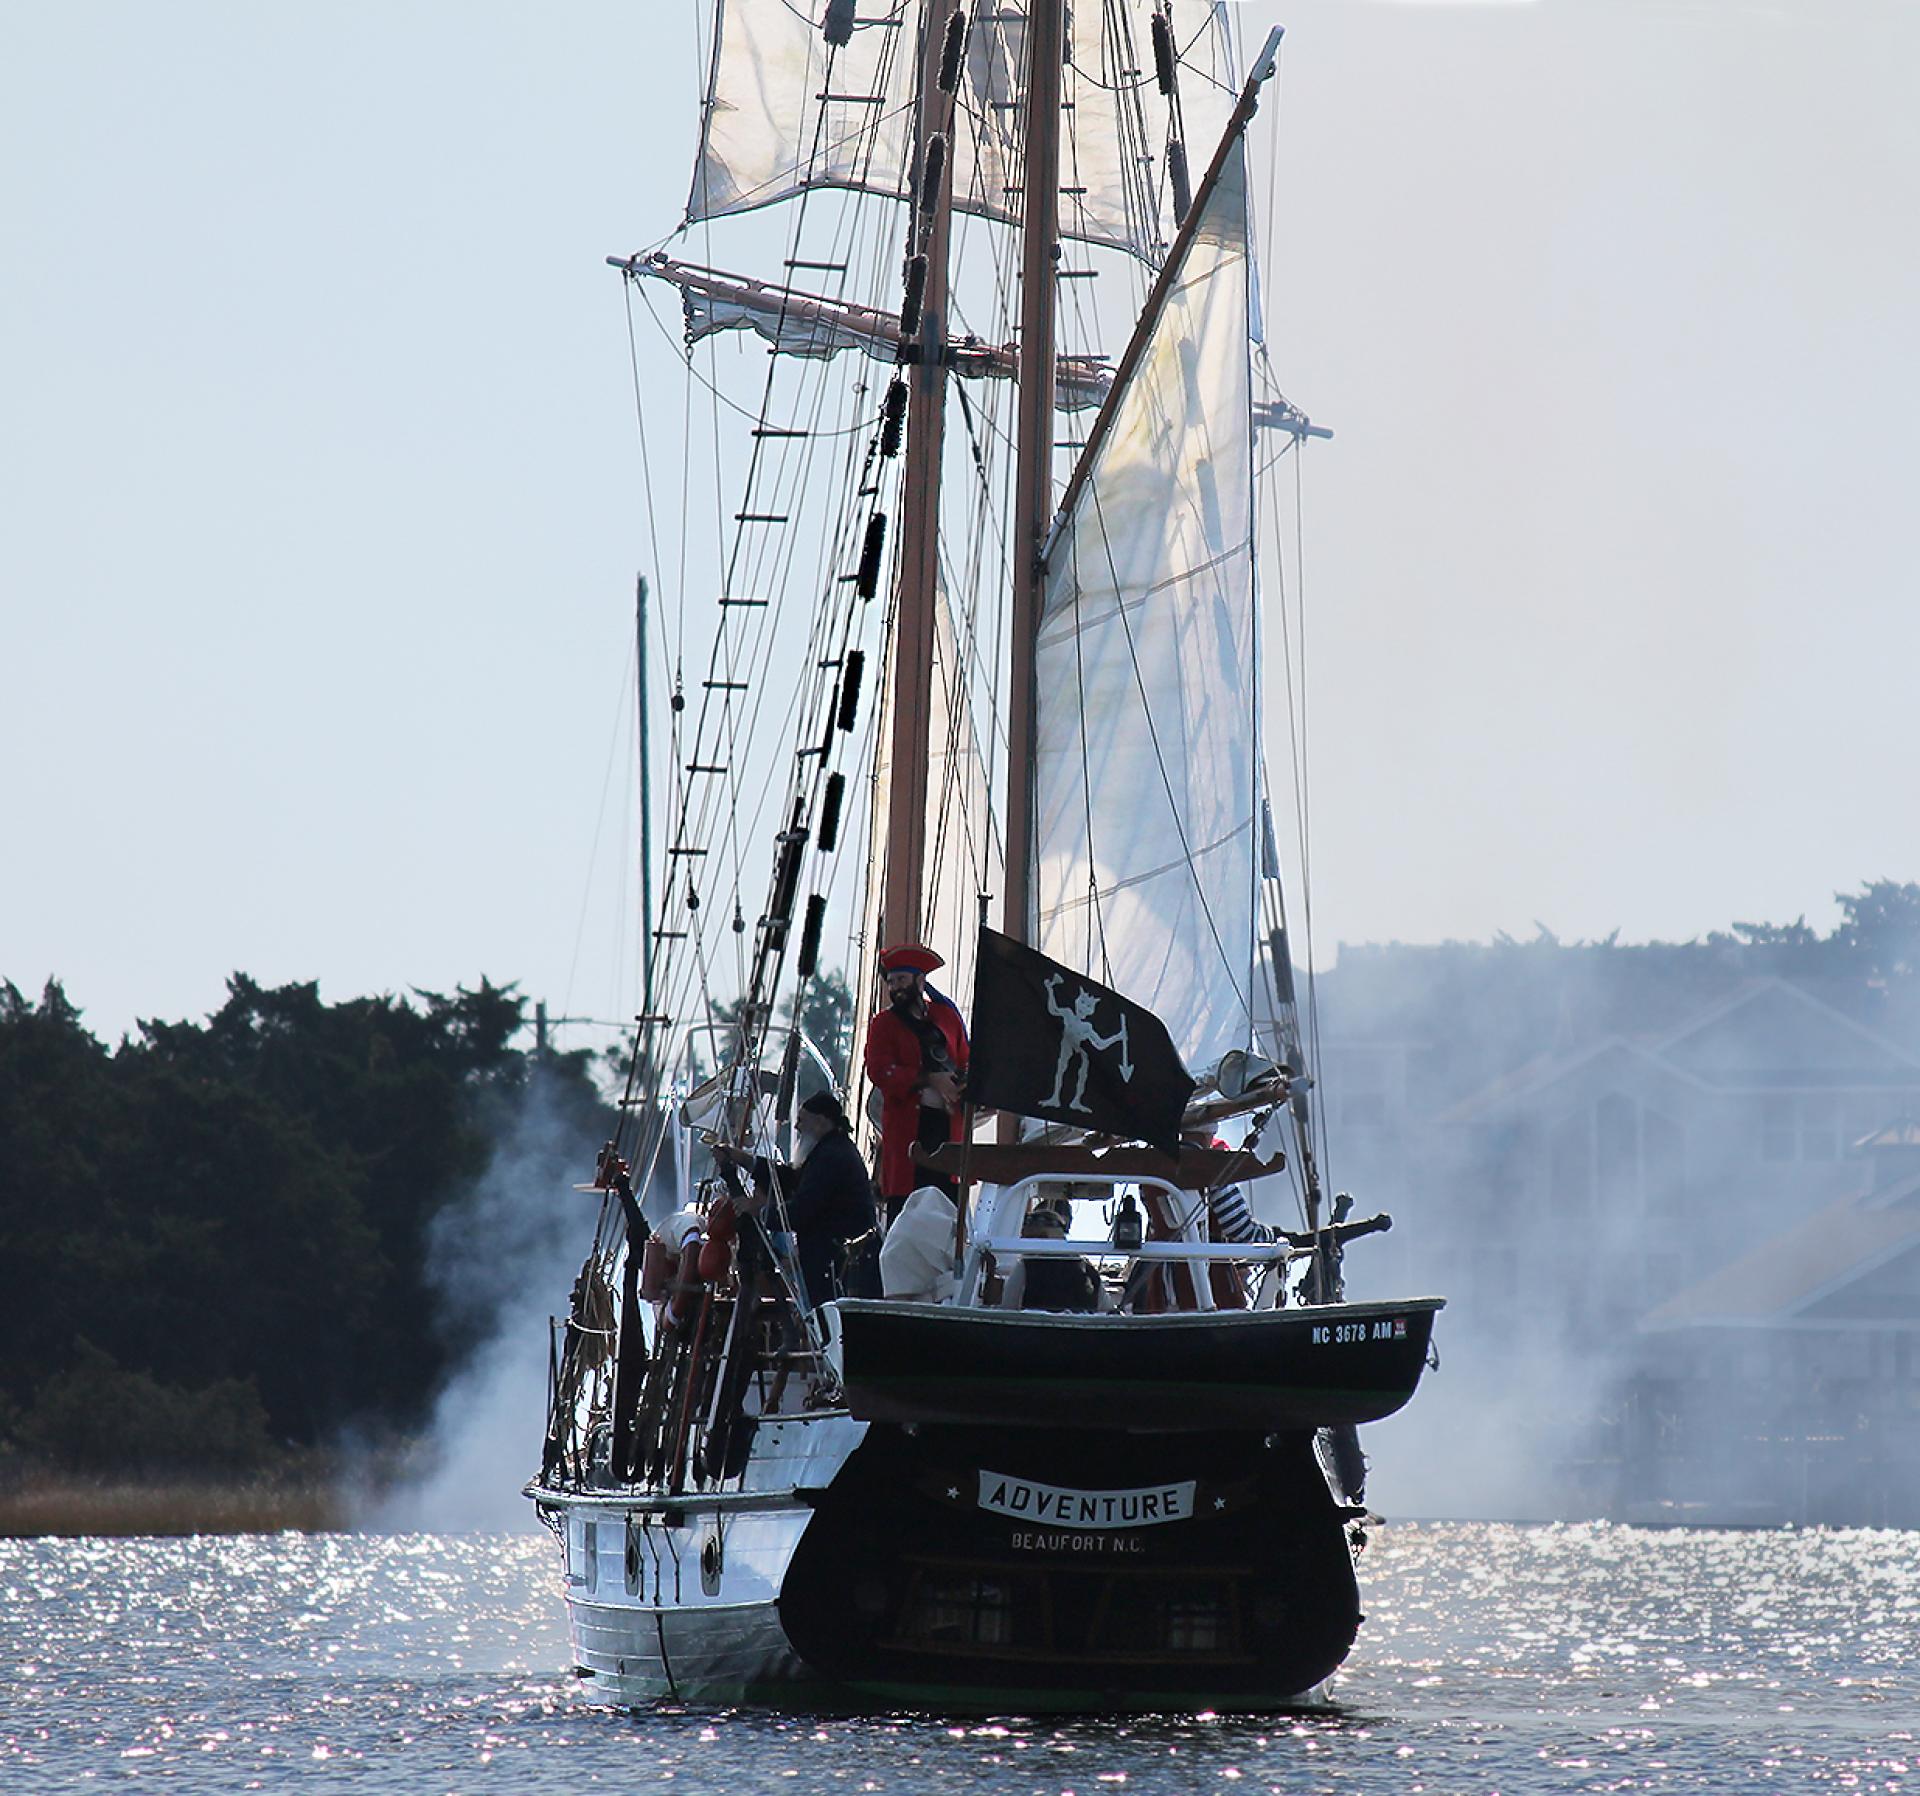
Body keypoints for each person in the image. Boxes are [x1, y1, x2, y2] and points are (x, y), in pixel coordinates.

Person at [736, 1092, 878, 1309]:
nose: (797, 1127)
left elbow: (802, 1210)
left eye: (802, 1120)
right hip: (828, 1254)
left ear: (821, 1122)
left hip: (831, 1259)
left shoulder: (831, 1157)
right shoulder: (829, 1150)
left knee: (823, 1315)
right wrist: (746, 1161)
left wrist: (761, 1212)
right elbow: (792, 1178)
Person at [863, 942, 969, 1221]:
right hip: (910, 1133)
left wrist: (962, 1083)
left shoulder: (946, 1017)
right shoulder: (883, 1024)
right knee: (908, 1212)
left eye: (902, 980)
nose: (896, 987)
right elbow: (878, 1069)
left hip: (947, 1131)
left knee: (950, 1212)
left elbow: (965, 1058)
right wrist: (928, 1079)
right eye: (892, 981)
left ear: (920, 981)